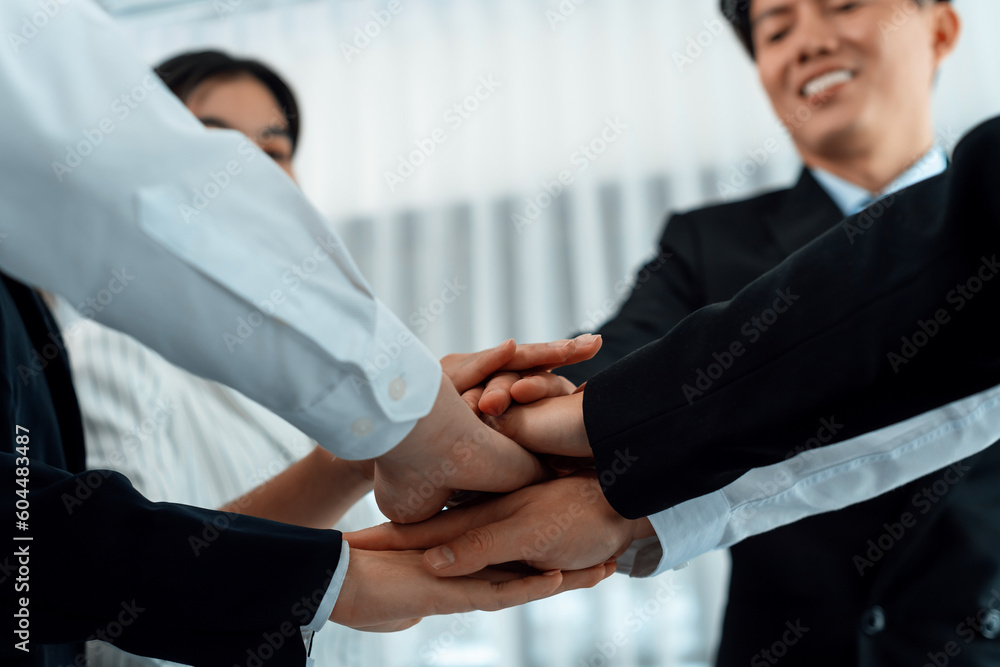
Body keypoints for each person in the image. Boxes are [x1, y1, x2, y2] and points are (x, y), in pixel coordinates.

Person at [355, 2, 1000, 664]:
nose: (807, 41)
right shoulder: (711, 242)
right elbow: (626, 350)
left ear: (942, 28)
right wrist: (504, 411)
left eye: (842, 4)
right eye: (777, 30)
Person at [0, 2, 614, 665]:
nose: (250, 171)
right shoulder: (98, 354)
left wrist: (393, 443)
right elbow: (101, 620)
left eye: (273, 150)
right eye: (214, 144)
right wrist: (396, 440)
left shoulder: (332, 393)